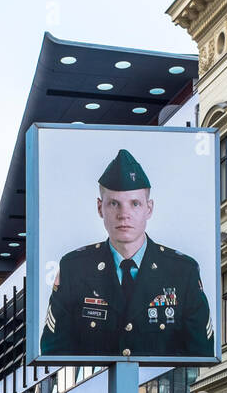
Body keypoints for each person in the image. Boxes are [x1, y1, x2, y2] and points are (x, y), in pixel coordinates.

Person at [39, 148, 214, 359]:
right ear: (99, 208)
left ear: (149, 209)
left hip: (163, 391)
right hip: (98, 389)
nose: (124, 215)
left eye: (135, 203)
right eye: (114, 203)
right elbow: (54, 351)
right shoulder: (74, 268)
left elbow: (201, 352)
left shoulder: (182, 271)